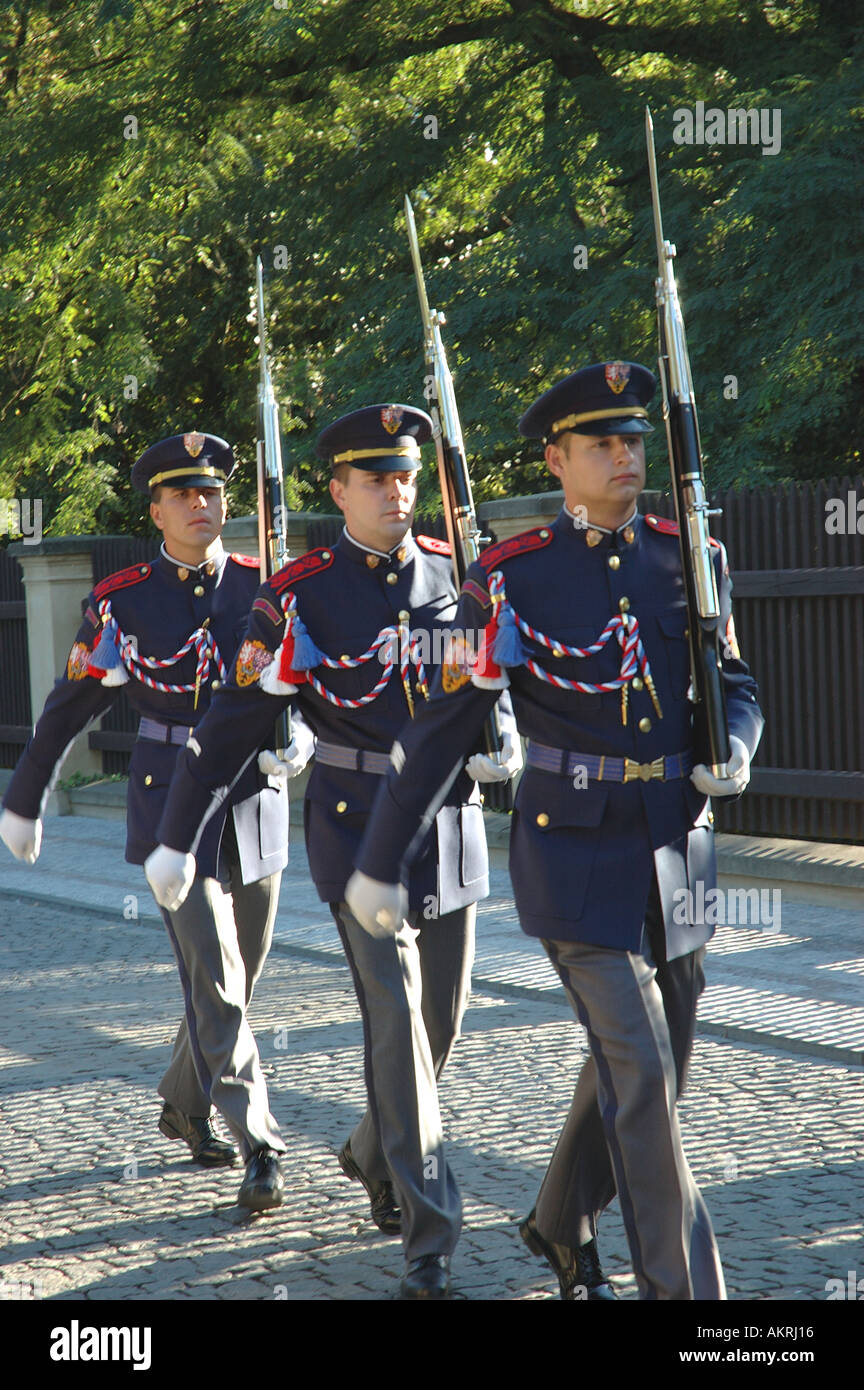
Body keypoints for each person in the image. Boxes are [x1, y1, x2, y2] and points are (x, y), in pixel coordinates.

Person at [346, 363, 764, 1301]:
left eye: (634, 441)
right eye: (602, 444)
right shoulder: (507, 577)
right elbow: (447, 719)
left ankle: (558, 1219)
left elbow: (731, 679)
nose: (626, 457)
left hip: (679, 844)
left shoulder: (688, 554)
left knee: (660, 1064)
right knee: (646, 1073)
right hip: (575, 847)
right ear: (558, 459)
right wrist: (381, 859)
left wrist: (734, 744)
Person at [145, 404, 521, 1299]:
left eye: (404, 476)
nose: (395, 491)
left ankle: (368, 1150)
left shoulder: (460, 574)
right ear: (338, 489)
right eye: (374, 478)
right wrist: (176, 832)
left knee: (439, 1026)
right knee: (392, 1017)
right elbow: (232, 718)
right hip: (357, 828)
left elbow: (493, 677)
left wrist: (503, 727)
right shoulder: (300, 592)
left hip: (453, 823)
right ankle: (430, 1234)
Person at [0, 432, 309, 1212]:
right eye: (183, 495)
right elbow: (70, 702)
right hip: (173, 801)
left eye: (210, 493)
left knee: (237, 976)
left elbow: (311, 686)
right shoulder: (123, 598)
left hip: (253, 799)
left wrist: (302, 736)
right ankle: (261, 1146)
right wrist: (25, 794)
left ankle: (183, 1103)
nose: (201, 506)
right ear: (156, 509)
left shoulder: (265, 586)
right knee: (218, 977)